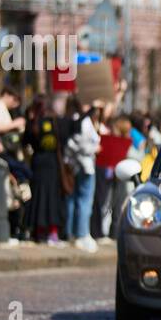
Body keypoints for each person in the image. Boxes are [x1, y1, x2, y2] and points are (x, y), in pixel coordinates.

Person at [23, 96, 65, 245]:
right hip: (52, 163)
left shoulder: (33, 123)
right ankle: (53, 232)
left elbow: (25, 141)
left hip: (38, 163)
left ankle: (39, 231)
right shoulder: (55, 122)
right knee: (52, 198)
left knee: (39, 197)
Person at [64, 98, 101, 252]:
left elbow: (70, 144)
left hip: (74, 166)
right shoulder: (84, 122)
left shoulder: (71, 120)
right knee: (85, 201)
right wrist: (96, 148)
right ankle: (82, 233)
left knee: (72, 199)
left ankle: (70, 232)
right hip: (85, 167)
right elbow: (85, 146)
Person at [0, 85, 26, 155]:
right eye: (14, 99)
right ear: (6, 94)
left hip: (5, 149)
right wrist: (16, 123)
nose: (15, 103)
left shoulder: (4, 107)